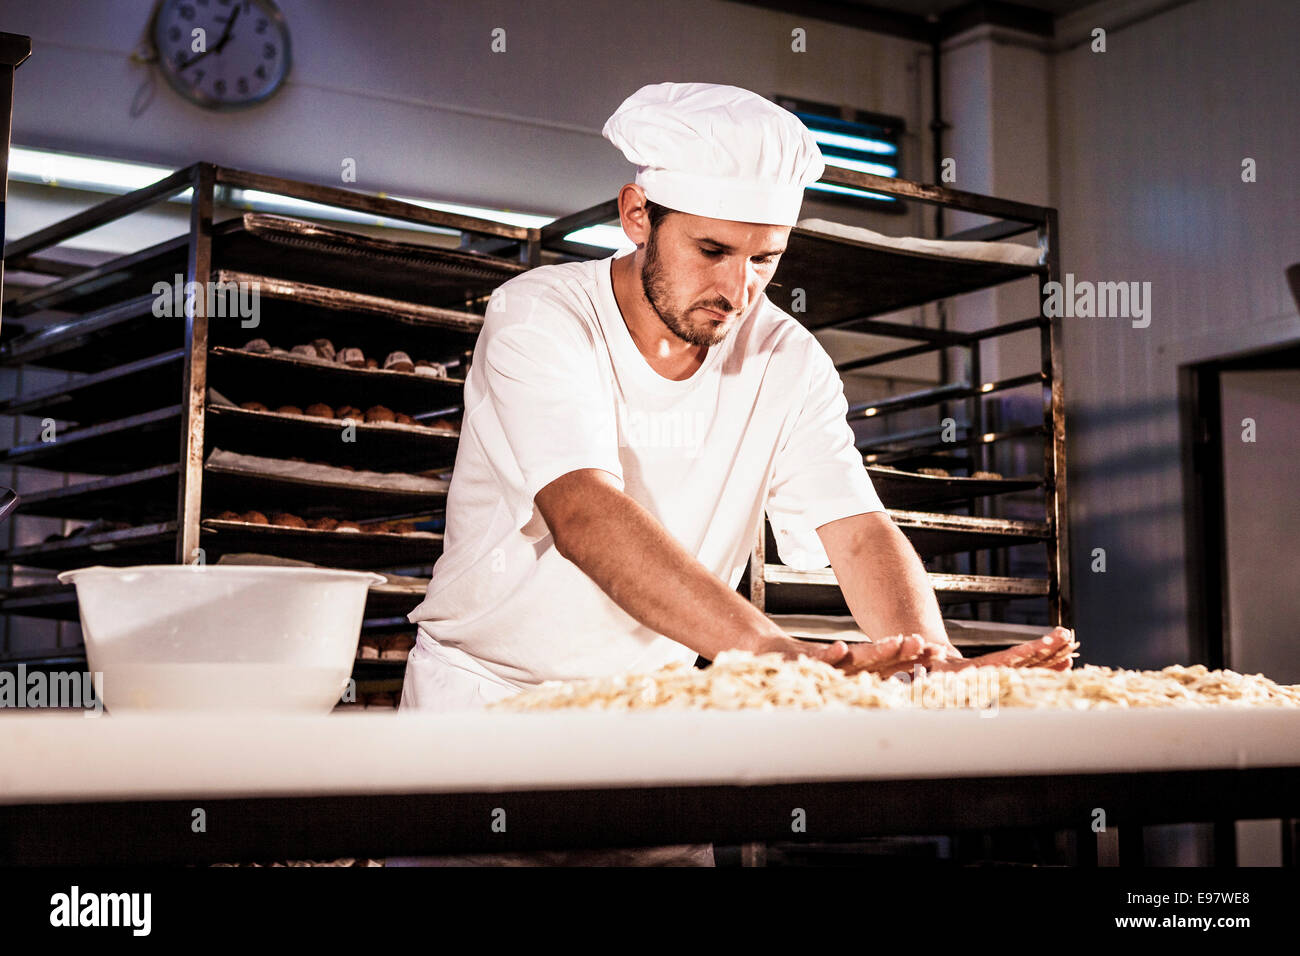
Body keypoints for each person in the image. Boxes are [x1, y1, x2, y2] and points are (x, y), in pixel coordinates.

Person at [390, 82, 1074, 866]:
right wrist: (776, 657)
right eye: (712, 251)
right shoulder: (541, 317)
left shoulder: (787, 359)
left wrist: (931, 661)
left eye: (765, 260)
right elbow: (582, 512)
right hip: (485, 719)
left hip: (656, 727)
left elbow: (855, 526)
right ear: (638, 215)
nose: (737, 291)